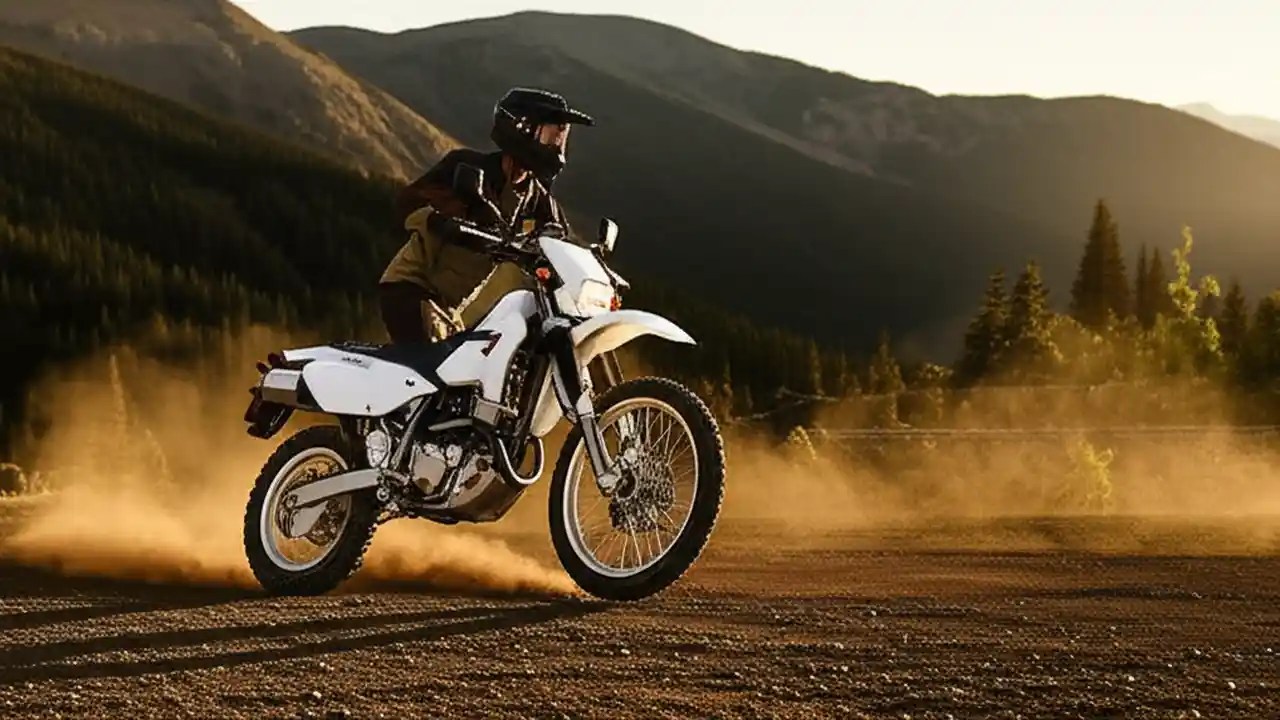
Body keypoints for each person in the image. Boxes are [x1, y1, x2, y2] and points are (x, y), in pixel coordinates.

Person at [378, 87, 595, 345]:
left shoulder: (539, 201)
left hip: (455, 311)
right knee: (434, 372)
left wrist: (594, 267)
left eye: (561, 138)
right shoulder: (464, 167)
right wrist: (446, 215)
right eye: (550, 137)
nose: (557, 146)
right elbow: (408, 203)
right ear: (522, 129)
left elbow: (563, 242)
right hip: (412, 288)